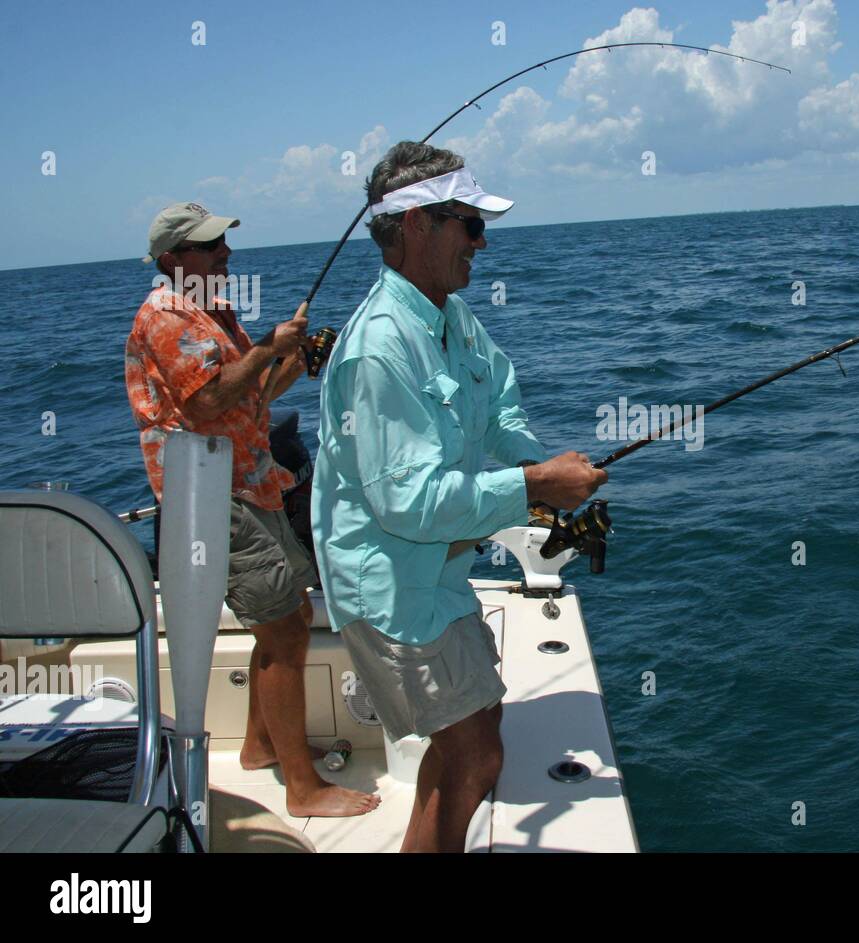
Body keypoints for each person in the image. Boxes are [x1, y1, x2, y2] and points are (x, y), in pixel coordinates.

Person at [312, 143, 606, 852]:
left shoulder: (449, 315)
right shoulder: (383, 346)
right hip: (393, 587)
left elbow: (498, 405)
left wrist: (540, 464)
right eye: (469, 223)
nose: (482, 241)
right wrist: (537, 487)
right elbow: (409, 503)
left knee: (466, 745)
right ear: (417, 225)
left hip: (436, 573)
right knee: (477, 755)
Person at [125, 201, 379, 818]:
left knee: (287, 612)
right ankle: (303, 787)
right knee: (285, 630)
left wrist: (294, 358)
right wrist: (268, 346)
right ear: (170, 259)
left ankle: (260, 746)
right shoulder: (165, 318)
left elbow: (252, 397)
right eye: (209, 245)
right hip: (213, 495)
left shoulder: (213, 312)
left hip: (255, 484)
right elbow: (210, 401)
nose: (224, 254)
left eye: (222, 243)